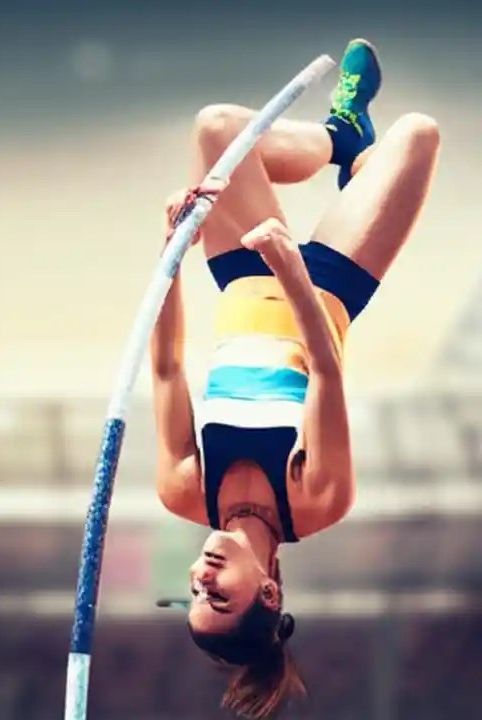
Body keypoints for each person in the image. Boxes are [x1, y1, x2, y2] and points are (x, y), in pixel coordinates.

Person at [150, 40, 438, 718]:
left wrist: (168, 255)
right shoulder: (318, 499)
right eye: (217, 596)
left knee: (217, 128)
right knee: (420, 135)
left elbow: (164, 366)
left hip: (240, 273)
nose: (201, 577)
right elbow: (326, 377)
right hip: (333, 281)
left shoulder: (184, 490)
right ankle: (361, 159)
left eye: (192, 592)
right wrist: (293, 271)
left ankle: (339, 138)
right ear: (269, 593)